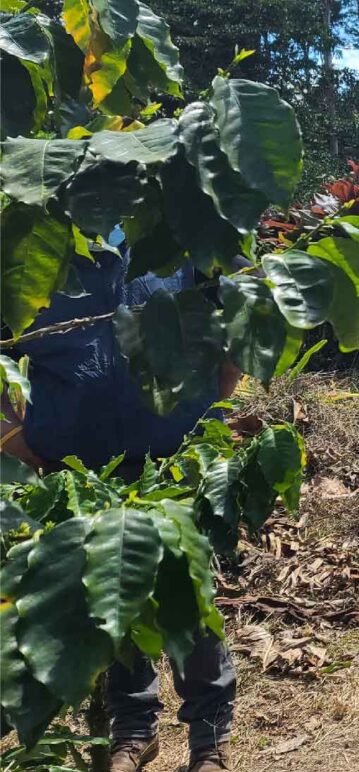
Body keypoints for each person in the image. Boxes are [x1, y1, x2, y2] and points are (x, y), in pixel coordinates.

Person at [1, 230, 242, 772]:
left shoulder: (179, 225)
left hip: (175, 458)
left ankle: (209, 737)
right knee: (112, 597)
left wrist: (207, 399)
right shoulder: (34, 238)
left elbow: (241, 313)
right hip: (74, 472)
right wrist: (15, 438)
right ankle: (132, 730)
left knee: (186, 596)